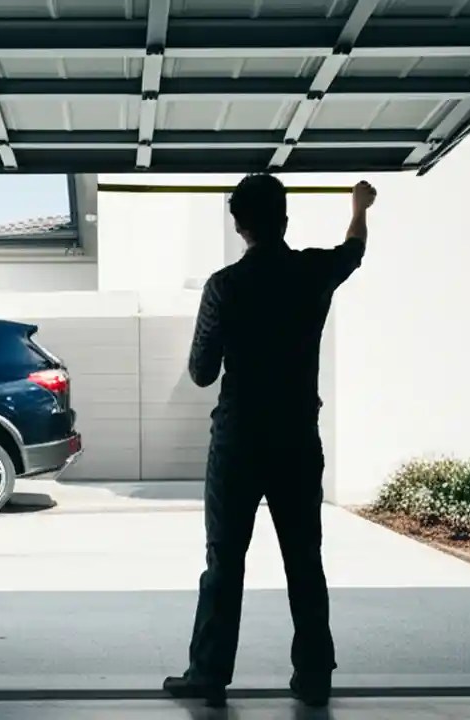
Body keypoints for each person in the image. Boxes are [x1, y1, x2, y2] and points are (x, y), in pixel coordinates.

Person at [162, 174, 377, 708]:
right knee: (304, 558)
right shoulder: (312, 272)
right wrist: (359, 205)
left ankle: (208, 675)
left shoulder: (224, 286)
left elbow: (202, 372)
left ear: (240, 225)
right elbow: (354, 251)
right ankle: (313, 676)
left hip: (239, 440)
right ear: (284, 219)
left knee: (224, 561)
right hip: (296, 438)